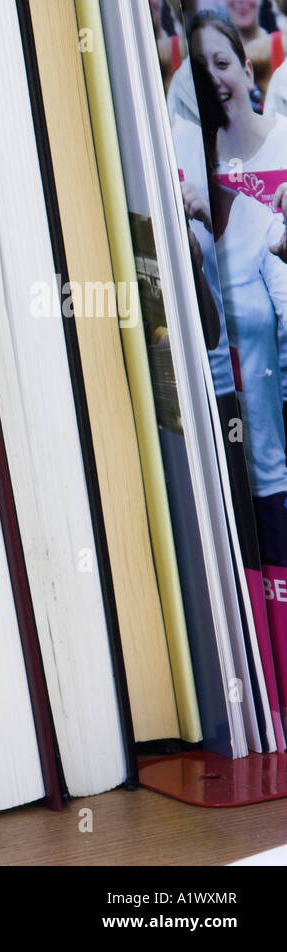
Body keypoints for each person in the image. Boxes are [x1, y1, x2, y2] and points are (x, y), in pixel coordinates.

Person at [193, 10, 287, 562]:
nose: (216, 80)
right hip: (222, 471)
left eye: (223, 63)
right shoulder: (183, 174)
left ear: (250, 73)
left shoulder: (280, 153)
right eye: (201, 72)